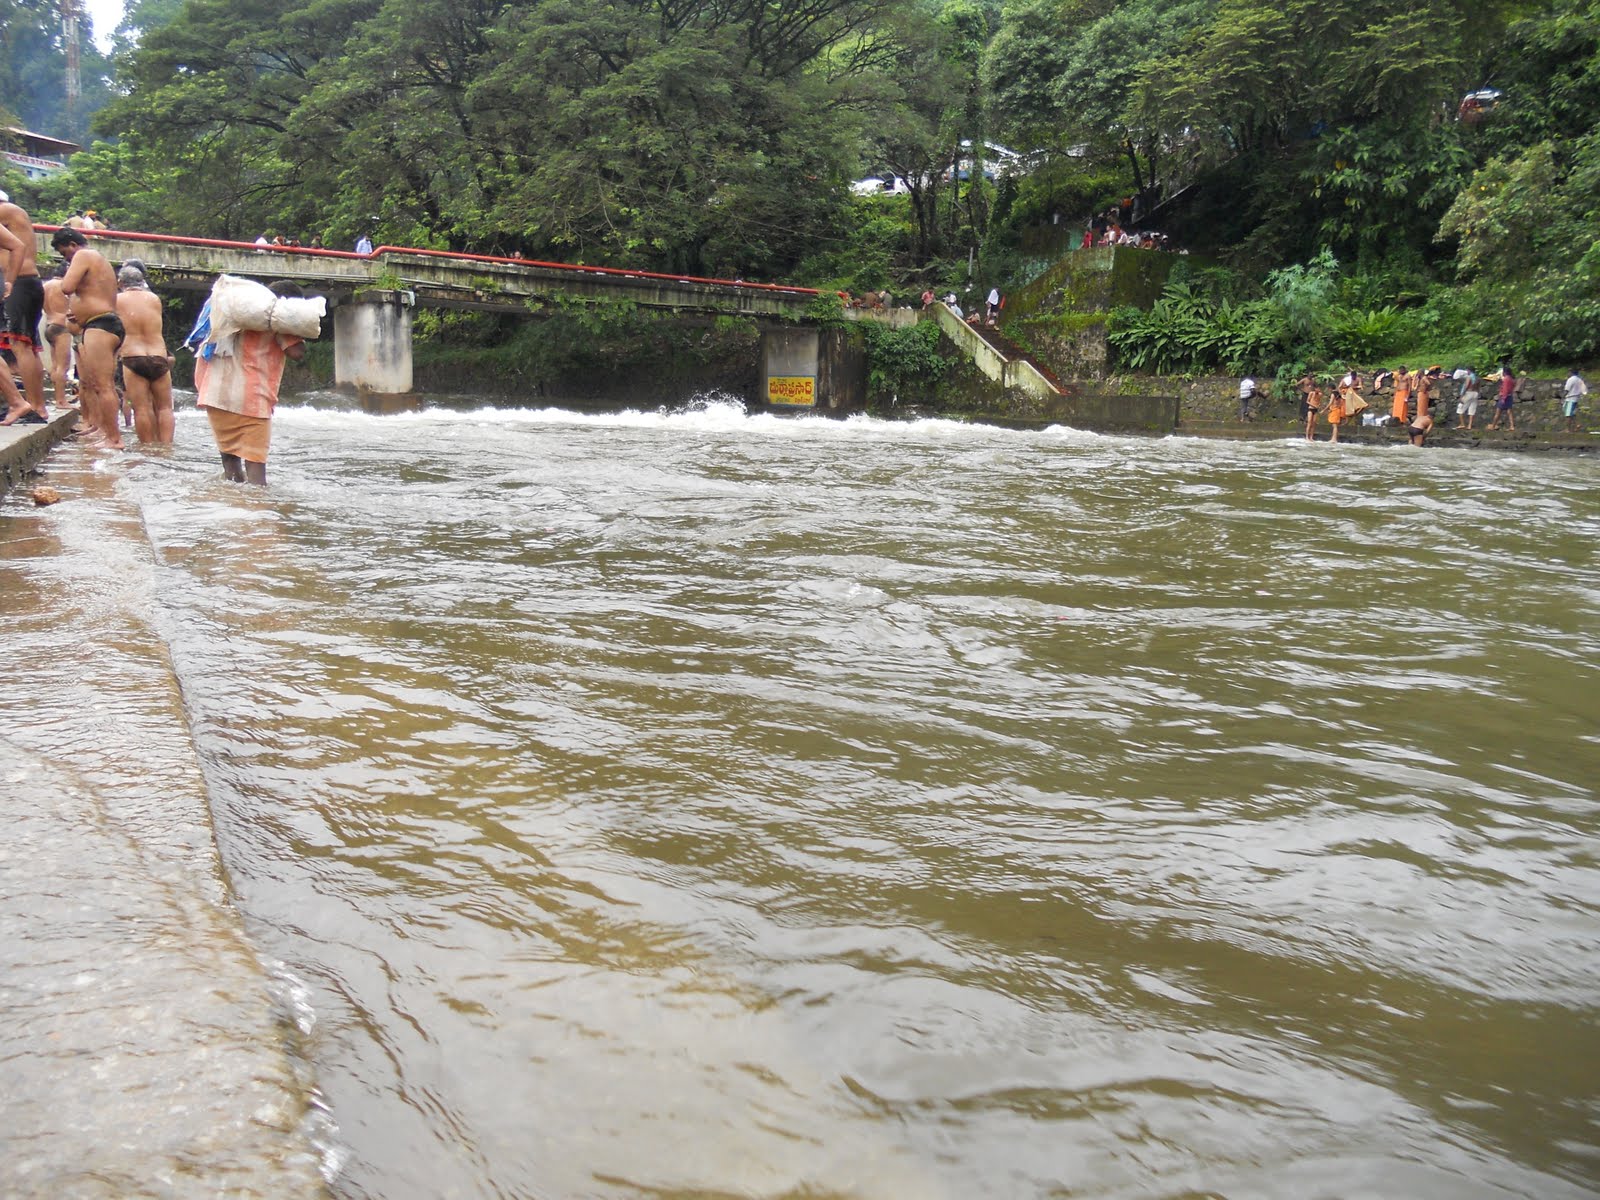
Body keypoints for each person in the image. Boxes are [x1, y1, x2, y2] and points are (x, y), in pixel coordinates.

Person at [194, 280, 307, 485]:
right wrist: (301, 330)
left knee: (230, 463)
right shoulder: (278, 319)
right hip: (251, 398)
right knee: (256, 468)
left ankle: (229, 502)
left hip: (215, 393)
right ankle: (256, 505)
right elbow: (296, 353)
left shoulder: (232, 313)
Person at [52, 226, 124, 448]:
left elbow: (66, 287)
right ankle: (106, 433)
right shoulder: (99, 260)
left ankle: (114, 438)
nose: (66, 259)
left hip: (100, 325)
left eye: (65, 253)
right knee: (100, 384)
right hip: (104, 324)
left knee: (103, 386)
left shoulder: (83, 255)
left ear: (73, 245)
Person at [0, 192, 50, 424]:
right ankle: (37, 406)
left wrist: (9, 281)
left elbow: (16, 248)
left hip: (18, 282)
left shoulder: (5, 210)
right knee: (28, 347)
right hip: (28, 282)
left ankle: (31, 406)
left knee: (20, 345)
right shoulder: (16, 213)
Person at [114, 265, 174, 444]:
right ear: (142, 281)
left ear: (120, 282)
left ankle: (147, 449)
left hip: (132, 356)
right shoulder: (154, 299)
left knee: (141, 409)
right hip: (158, 355)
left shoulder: (117, 300)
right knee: (165, 408)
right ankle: (166, 448)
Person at [40, 265, 73, 409]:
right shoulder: (64, 286)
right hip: (61, 326)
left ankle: (58, 397)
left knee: (55, 366)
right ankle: (61, 400)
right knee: (62, 367)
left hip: (49, 324)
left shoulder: (45, 286)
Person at [1488, 363, 1517, 431]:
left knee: (1498, 413)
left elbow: (1505, 389)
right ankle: (1512, 426)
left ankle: (1493, 425)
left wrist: (1503, 398)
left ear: (1504, 372)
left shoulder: (1506, 379)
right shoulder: (1511, 379)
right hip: (1509, 396)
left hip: (1504, 397)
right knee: (1509, 412)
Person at [1562, 368, 1588, 432]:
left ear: (1571, 372)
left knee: (1568, 415)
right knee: (1572, 413)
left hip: (1570, 399)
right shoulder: (1579, 380)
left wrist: (1562, 397)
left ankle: (1567, 429)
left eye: (1568, 372)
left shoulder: (1570, 379)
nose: (1567, 374)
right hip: (1576, 398)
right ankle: (1577, 424)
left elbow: (1567, 390)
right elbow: (1584, 390)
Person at [1326, 377, 1346, 442]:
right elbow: (1341, 402)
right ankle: (1334, 438)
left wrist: (1324, 409)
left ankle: (1334, 439)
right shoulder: (1338, 394)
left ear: (1330, 388)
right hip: (1337, 409)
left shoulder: (1333, 394)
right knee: (1335, 426)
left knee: (1334, 426)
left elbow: (1330, 403)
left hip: (1334, 410)